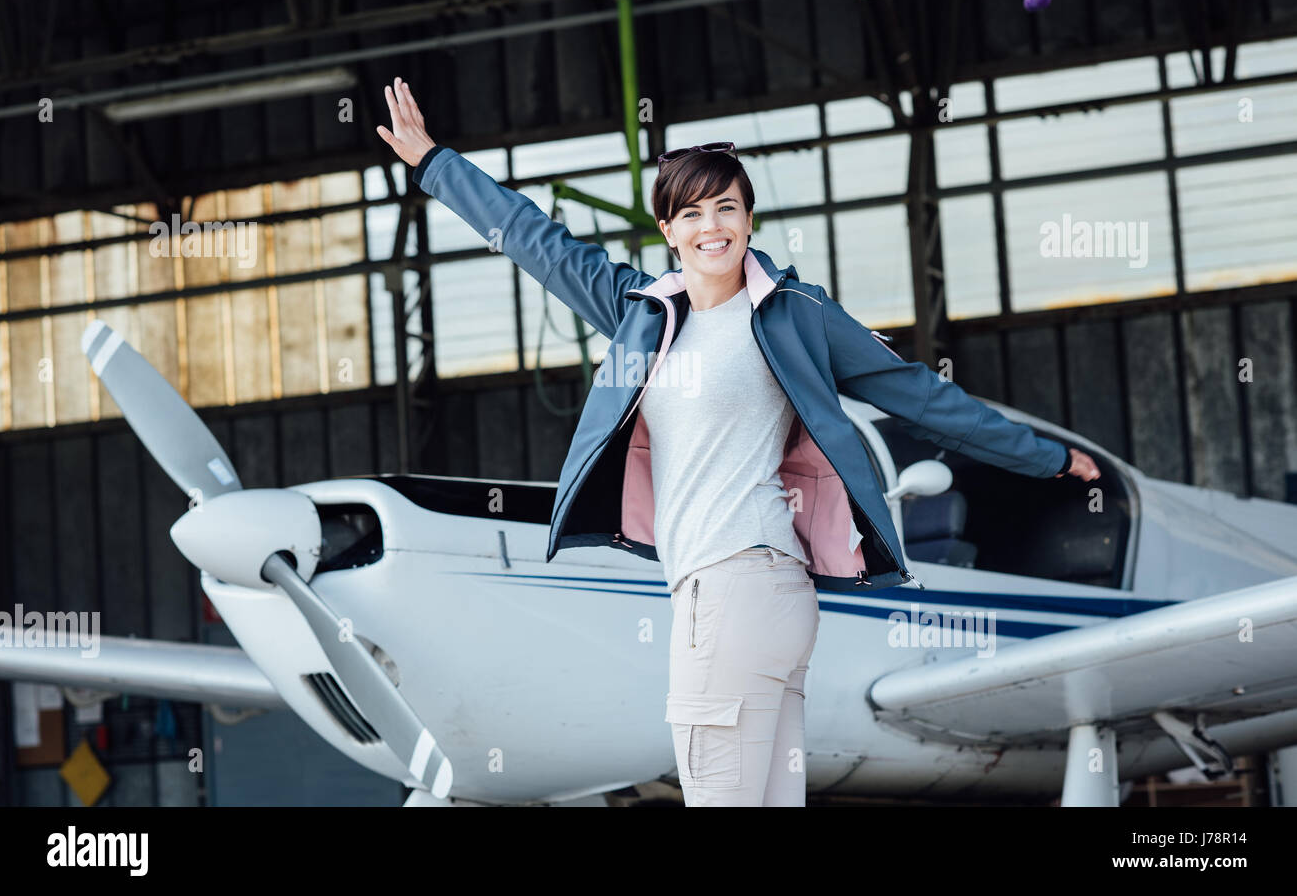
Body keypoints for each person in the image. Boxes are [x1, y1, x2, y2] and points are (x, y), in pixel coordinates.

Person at [376, 77, 1101, 806]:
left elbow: (915, 392)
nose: (710, 225)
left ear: (749, 218)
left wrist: (1043, 457)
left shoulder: (795, 313)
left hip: (734, 593)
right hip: (756, 600)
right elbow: (537, 241)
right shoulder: (641, 311)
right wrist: (435, 163)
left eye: (726, 207)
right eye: (690, 212)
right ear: (667, 229)